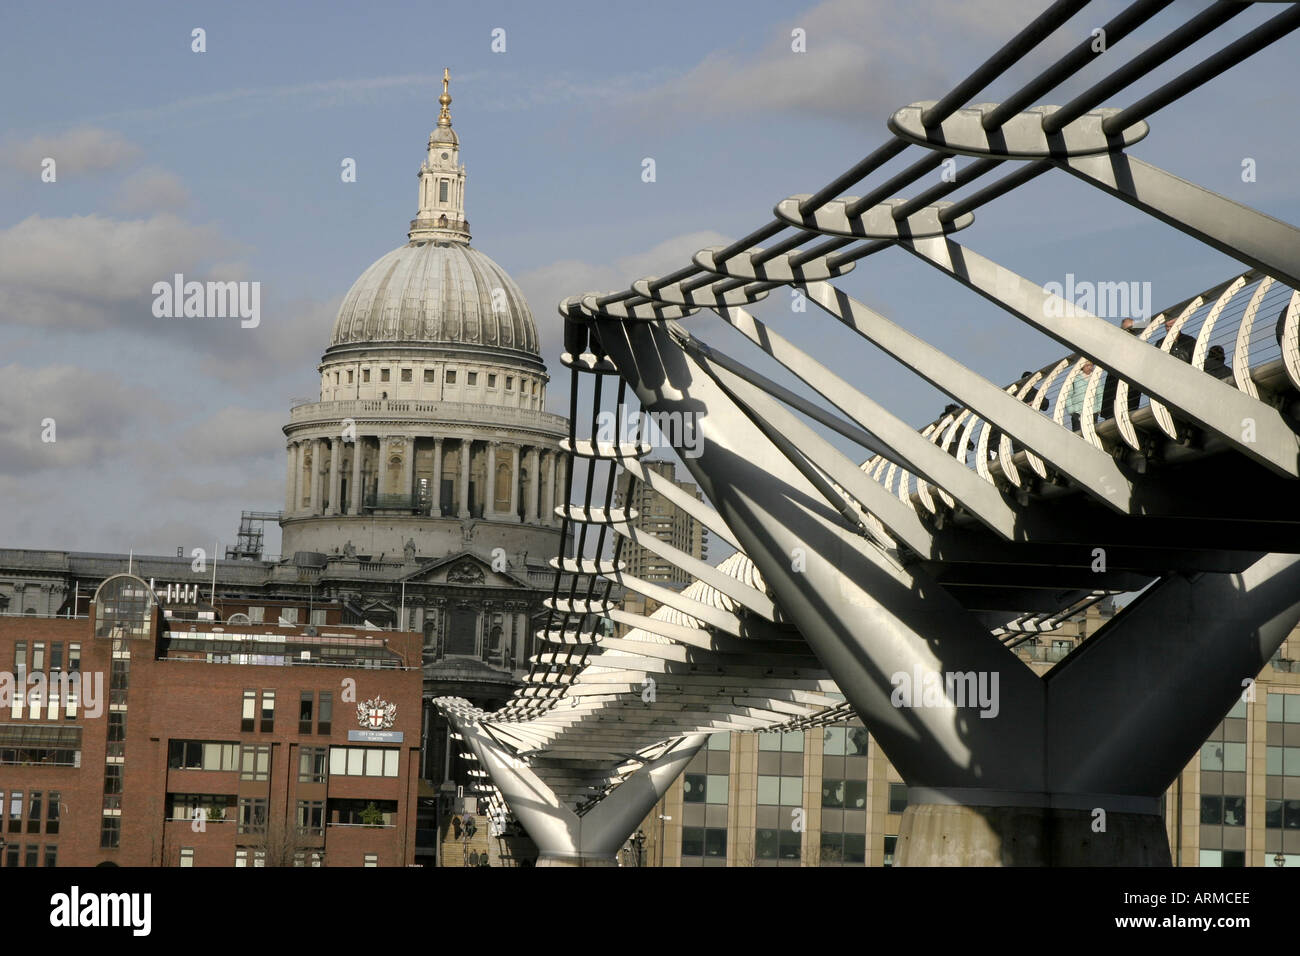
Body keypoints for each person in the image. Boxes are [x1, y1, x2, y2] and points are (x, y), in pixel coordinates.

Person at [1063, 361, 1100, 431]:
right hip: (1077, 412)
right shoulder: (1074, 378)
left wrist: (1098, 409)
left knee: (1093, 433)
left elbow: (1099, 394)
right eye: (1087, 365)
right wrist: (1071, 411)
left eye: (1091, 365)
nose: (1090, 367)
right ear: (1082, 366)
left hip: (1093, 411)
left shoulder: (1095, 378)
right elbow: (1068, 395)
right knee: (1078, 434)